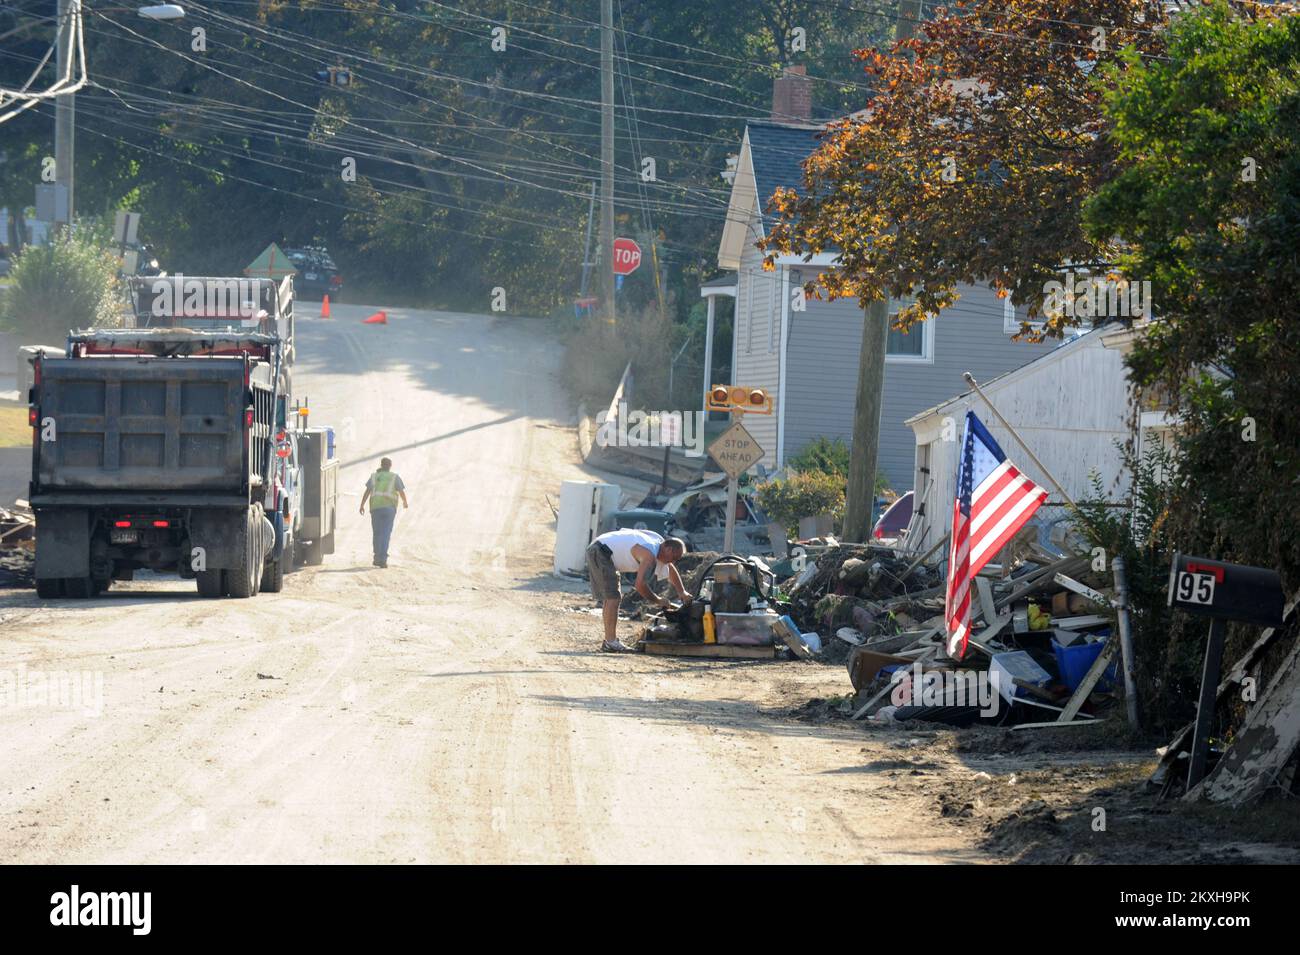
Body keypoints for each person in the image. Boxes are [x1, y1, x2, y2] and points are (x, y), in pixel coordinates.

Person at [586, 529, 690, 653]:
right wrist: (658, 600)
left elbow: (670, 569)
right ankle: (610, 642)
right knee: (613, 598)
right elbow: (640, 585)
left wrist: (682, 591)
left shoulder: (659, 544)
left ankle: (610, 641)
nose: (673, 562)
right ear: (668, 549)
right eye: (674, 558)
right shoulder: (649, 555)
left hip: (602, 548)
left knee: (612, 598)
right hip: (600, 551)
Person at [359, 457, 408, 568]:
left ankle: (377, 558)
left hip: (376, 508)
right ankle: (383, 559)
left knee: (377, 533)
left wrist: (362, 505)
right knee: (386, 533)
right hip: (389, 509)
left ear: (381, 465)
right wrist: (405, 502)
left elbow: (367, 491)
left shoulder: (374, 476)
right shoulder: (394, 477)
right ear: (390, 466)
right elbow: (401, 491)